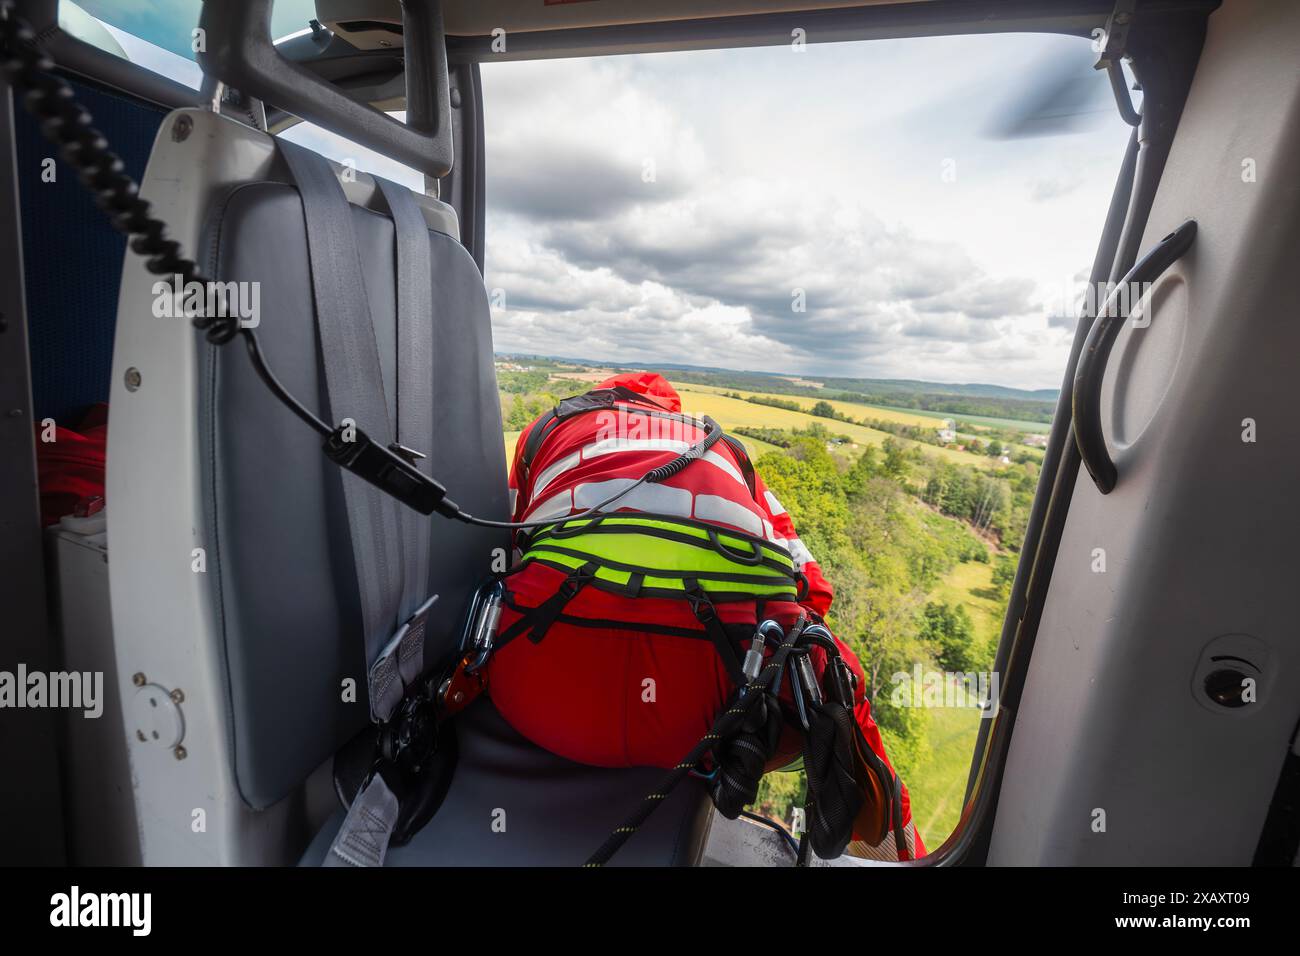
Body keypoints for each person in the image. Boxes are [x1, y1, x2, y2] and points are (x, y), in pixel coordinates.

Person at [487, 371, 924, 860]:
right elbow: (811, 589)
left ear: (604, 397)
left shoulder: (545, 430)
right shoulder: (724, 449)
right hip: (707, 716)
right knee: (839, 681)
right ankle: (896, 849)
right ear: (670, 412)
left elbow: (503, 548)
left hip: (534, 692)